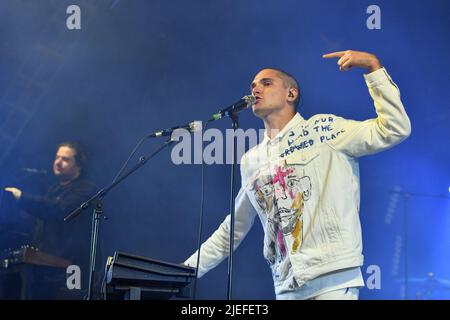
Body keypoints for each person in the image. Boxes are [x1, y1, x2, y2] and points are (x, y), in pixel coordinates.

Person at [184, 50, 411, 300]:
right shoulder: (251, 160)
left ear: (290, 93)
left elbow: (394, 129)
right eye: (253, 85)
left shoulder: (325, 130)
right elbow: (233, 230)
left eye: (266, 83)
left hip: (332, 281)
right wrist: (186, 271)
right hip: (287, 288)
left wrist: (373, 68)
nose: (255, 89)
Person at [4, 141, 97, 299]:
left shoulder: (86, 189)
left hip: (71, 267)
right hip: (45, 266)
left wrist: (21, 197)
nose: (58, 162)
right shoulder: (53, 190)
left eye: (65, 159)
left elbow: (58, 209)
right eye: (57, 157)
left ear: (79, 165)